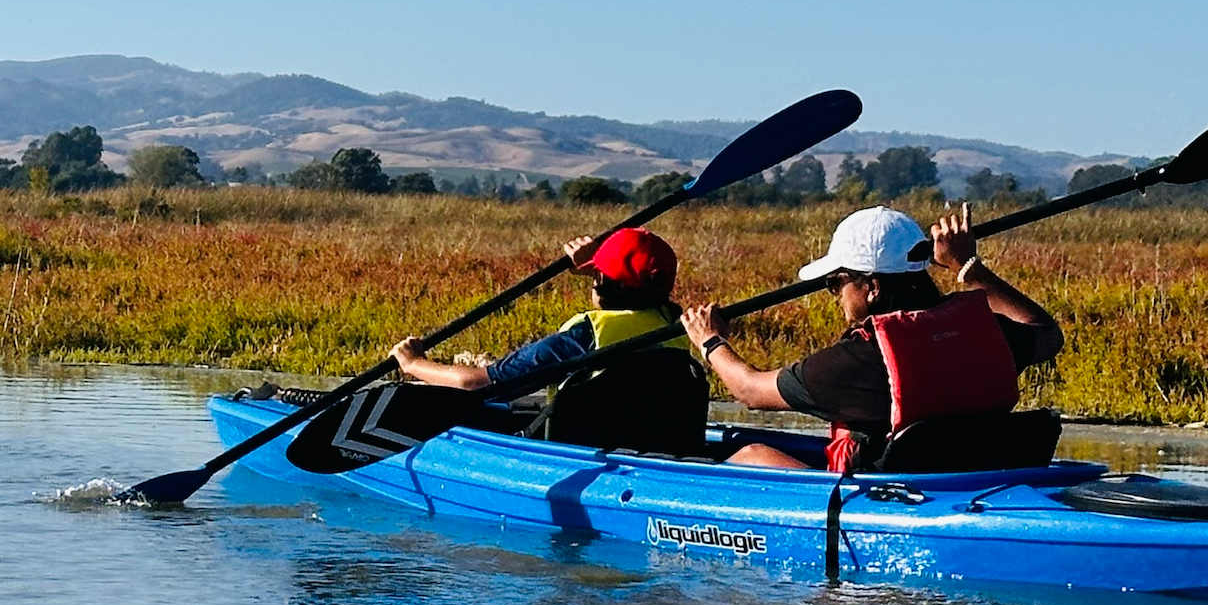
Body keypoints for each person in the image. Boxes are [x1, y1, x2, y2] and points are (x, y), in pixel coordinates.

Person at [681, 203, 1063, 472]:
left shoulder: (859, 358)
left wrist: (710, 341)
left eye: (837, 282)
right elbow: (1045, 333)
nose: (835, 294)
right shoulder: (981, 330)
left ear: (872, 288)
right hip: (973, 477)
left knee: (753, 455)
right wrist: (968, 266)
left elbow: (750, 391)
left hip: (892, 492)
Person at [390, 227, 710, 456]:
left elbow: (476, 385)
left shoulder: (587, 335)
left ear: (604, 284)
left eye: (598, 276)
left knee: (479, 408)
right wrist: (595, 270)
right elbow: (635, 294)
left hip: (577, 450)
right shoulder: (673, 324)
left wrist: (414, 363)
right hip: (648, 443)